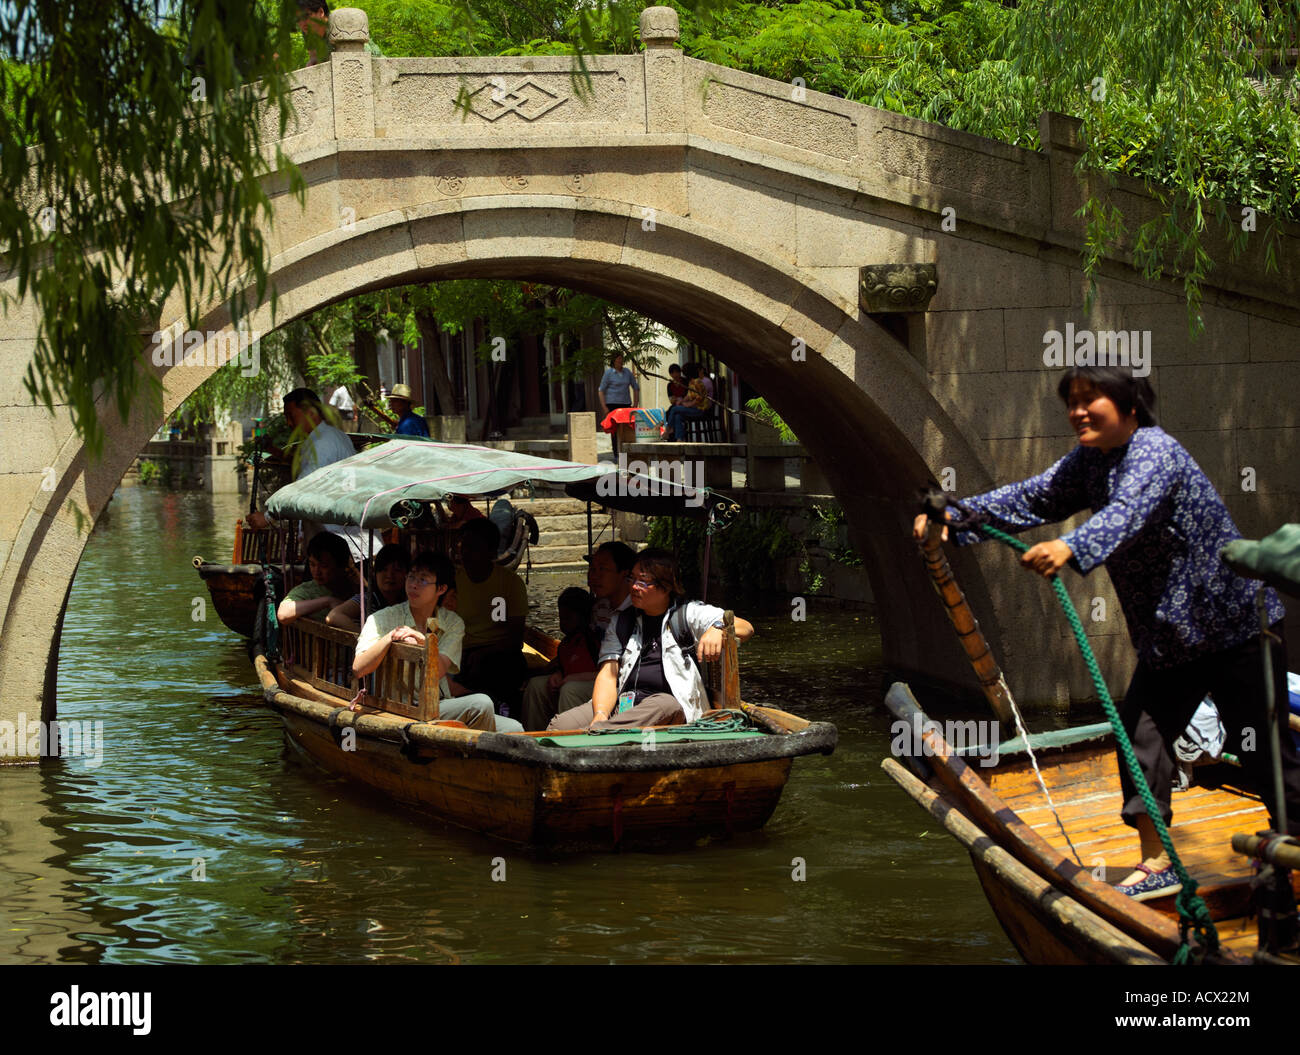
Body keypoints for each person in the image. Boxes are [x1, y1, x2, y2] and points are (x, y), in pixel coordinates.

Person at [912, 365, 1300, 901]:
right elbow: (1035, 496)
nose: (1077, 411)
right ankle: (1157, 860)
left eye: (1090, 400)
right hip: (1172, 639)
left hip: (1236, 627)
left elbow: (1127, 513)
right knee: (1139, 736)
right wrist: (956, 516)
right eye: (1071, 401)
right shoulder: (1090, 462)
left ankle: (1293, 848)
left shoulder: (1154, 452)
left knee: (1264, 751)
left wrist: (1070, 548)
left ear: (1131, 406)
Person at [548, 548, 754, 731]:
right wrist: (600, 715)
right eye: (632, 579)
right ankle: (603, 732)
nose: (634, 587)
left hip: (669, 710)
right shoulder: (621, 621)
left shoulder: (687, 614)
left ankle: (601, 735)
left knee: (664, 704)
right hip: (627, 706)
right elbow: (608, 675)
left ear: (666, 587)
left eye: (643, 581)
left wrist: (718, 629)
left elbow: (746, 627)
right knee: (560, 726)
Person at [353, 551, 523, 732]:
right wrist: (389, 637)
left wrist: (423, 643)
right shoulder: (383, 618)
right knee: (481, 704)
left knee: (515, 729)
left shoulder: (452, 622)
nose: (414, 585)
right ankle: (468, 756)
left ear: (441, 588)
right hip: (400, 708)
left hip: (438, 706)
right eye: (411, 577)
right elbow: (358, 668)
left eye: (423, 580)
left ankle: (467, 754)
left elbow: (439, 670)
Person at [246, 387, 354, 531]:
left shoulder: (322, 443)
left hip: (337, 536)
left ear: (311, 412)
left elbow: (303, 487)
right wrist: (273, 450)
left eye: (291, 416)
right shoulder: (331, 436)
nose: (289, 423)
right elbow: (304, 465)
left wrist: (267, 517)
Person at [451, 519, 528, 711]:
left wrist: (483, 653)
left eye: (474, 548)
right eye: (464, 547)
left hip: (499, 652)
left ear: (490, 552)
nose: (466, 554)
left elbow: (515, 637)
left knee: (503, 666)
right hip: (461, 653)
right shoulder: (452, 583)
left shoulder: (510, 583)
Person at [521, 588, 600, 730]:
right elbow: (563, 665)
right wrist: (558, 673)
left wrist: (572, 678)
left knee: (570, 688)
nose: (563, 623)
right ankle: (533, 734)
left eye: (568, 618)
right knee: (535, 685)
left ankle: (567, 737)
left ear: (583, 617)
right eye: (561, 618)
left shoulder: (594, 640)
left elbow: (607, 673)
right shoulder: (566, 645)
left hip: (590, 687)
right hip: (567, 682)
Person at [277, 530, 357, 626]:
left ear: (341, 565)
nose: (316, 571)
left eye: (324, 566)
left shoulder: (354, 589)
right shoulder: (307, 590)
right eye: (312, 564)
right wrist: (328, 601)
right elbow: (283, 614)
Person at [326, 542, 408, 631]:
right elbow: (334, 616)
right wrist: (364, 638)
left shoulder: (409, 602)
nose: (389, 575)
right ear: (374, 573)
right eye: (384, 569)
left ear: (407, 574)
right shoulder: (367, 599)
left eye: (397, 570)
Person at [663, 364, 710, 441]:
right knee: (677, 416)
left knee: (674, 409)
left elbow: (699, 398)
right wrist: (682, 401)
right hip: (693, 409)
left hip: (699, 409)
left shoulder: (697, 382)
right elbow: (689, 396)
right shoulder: (692, 382)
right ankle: (679, 439)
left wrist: (688, 405)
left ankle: (668, 429)